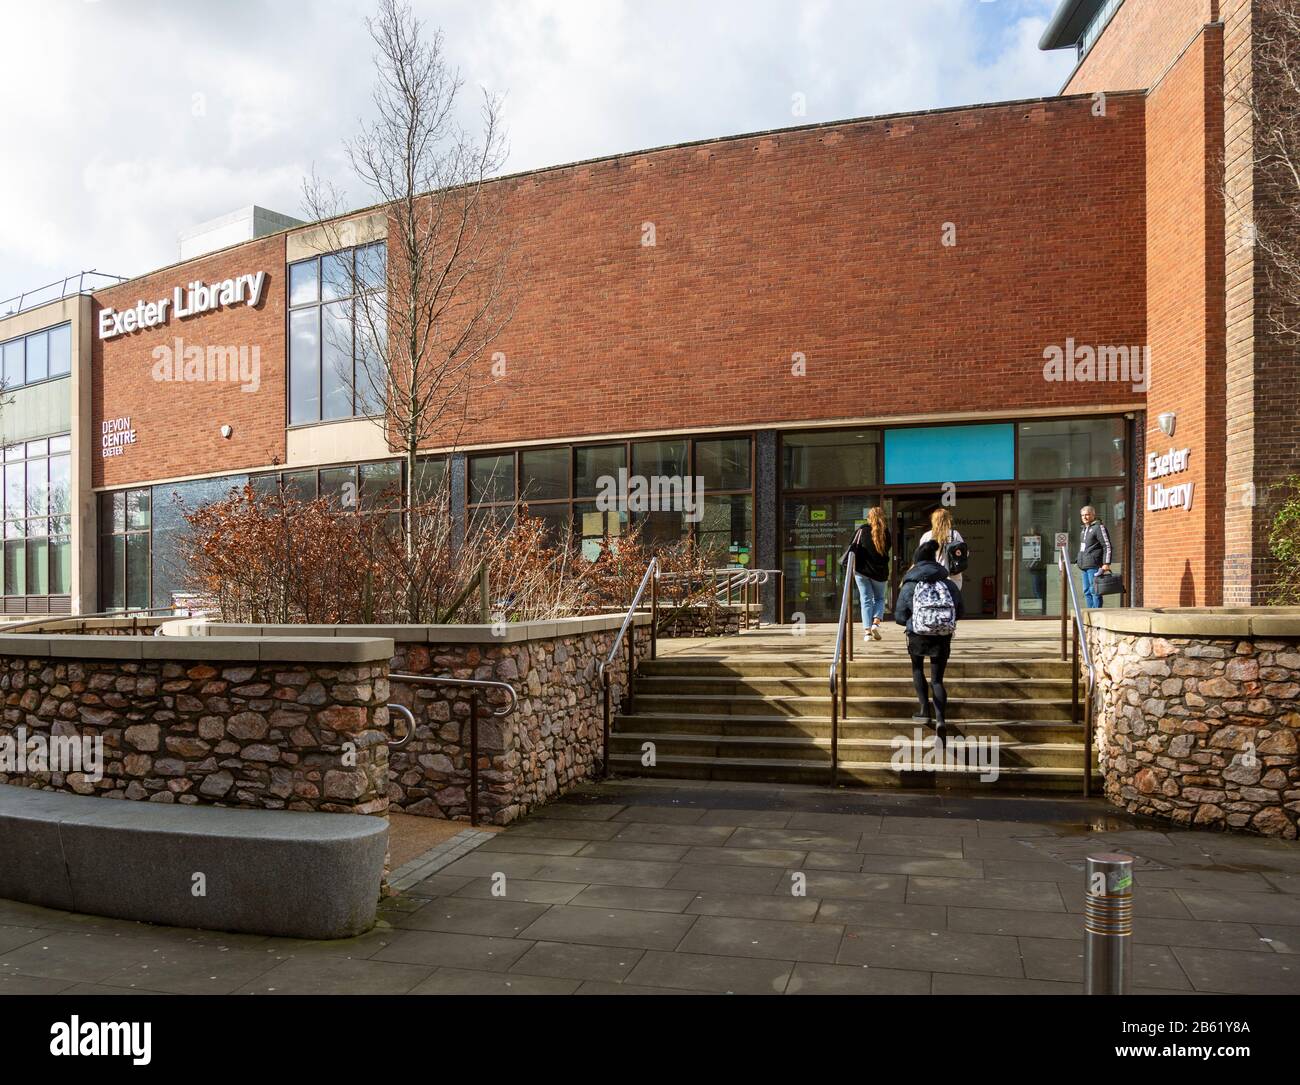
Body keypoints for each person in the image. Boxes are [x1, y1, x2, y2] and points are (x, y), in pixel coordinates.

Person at [894, 540, 964, 739]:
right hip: (942, 636)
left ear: (916, 563)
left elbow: (899, 616)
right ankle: (941, 718)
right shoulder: (948, 583)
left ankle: (924, 711)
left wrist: (914, 621)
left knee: (917, 669)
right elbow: (960, 611)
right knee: (937, 679)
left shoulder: (910, 584)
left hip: (917, 634)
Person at [843, 507, 891, 641]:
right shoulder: (886, 532)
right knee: (880, 598)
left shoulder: (861, 530)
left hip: (861, 571)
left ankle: (867, 632)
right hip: (880, 572)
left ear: (869, 517)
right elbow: (888, 550)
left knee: (866, 600)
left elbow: (852, 547)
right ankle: (876, 622)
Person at [919, 508, 964, 591]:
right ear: (948, 519)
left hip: (933, 579)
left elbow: (921, 559)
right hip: (953, 579)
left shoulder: (926, 536)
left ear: (933, 520)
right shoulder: (955, 535)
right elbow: (964, 554)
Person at [1078, 505, 1113, 608]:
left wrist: (1106, 563)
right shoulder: (1084, 529)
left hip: (1094, 565)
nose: (1084, 517)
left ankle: (1096, 614)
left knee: (1095, 590)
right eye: (1082, 515)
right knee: (1087, 591)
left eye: (1087, 515)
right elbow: (1084, 548)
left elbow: (1107, 545)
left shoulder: (1099, 527)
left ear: (1093, 515)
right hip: (1084, 565)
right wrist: (1078, 560)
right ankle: (1089, 614)